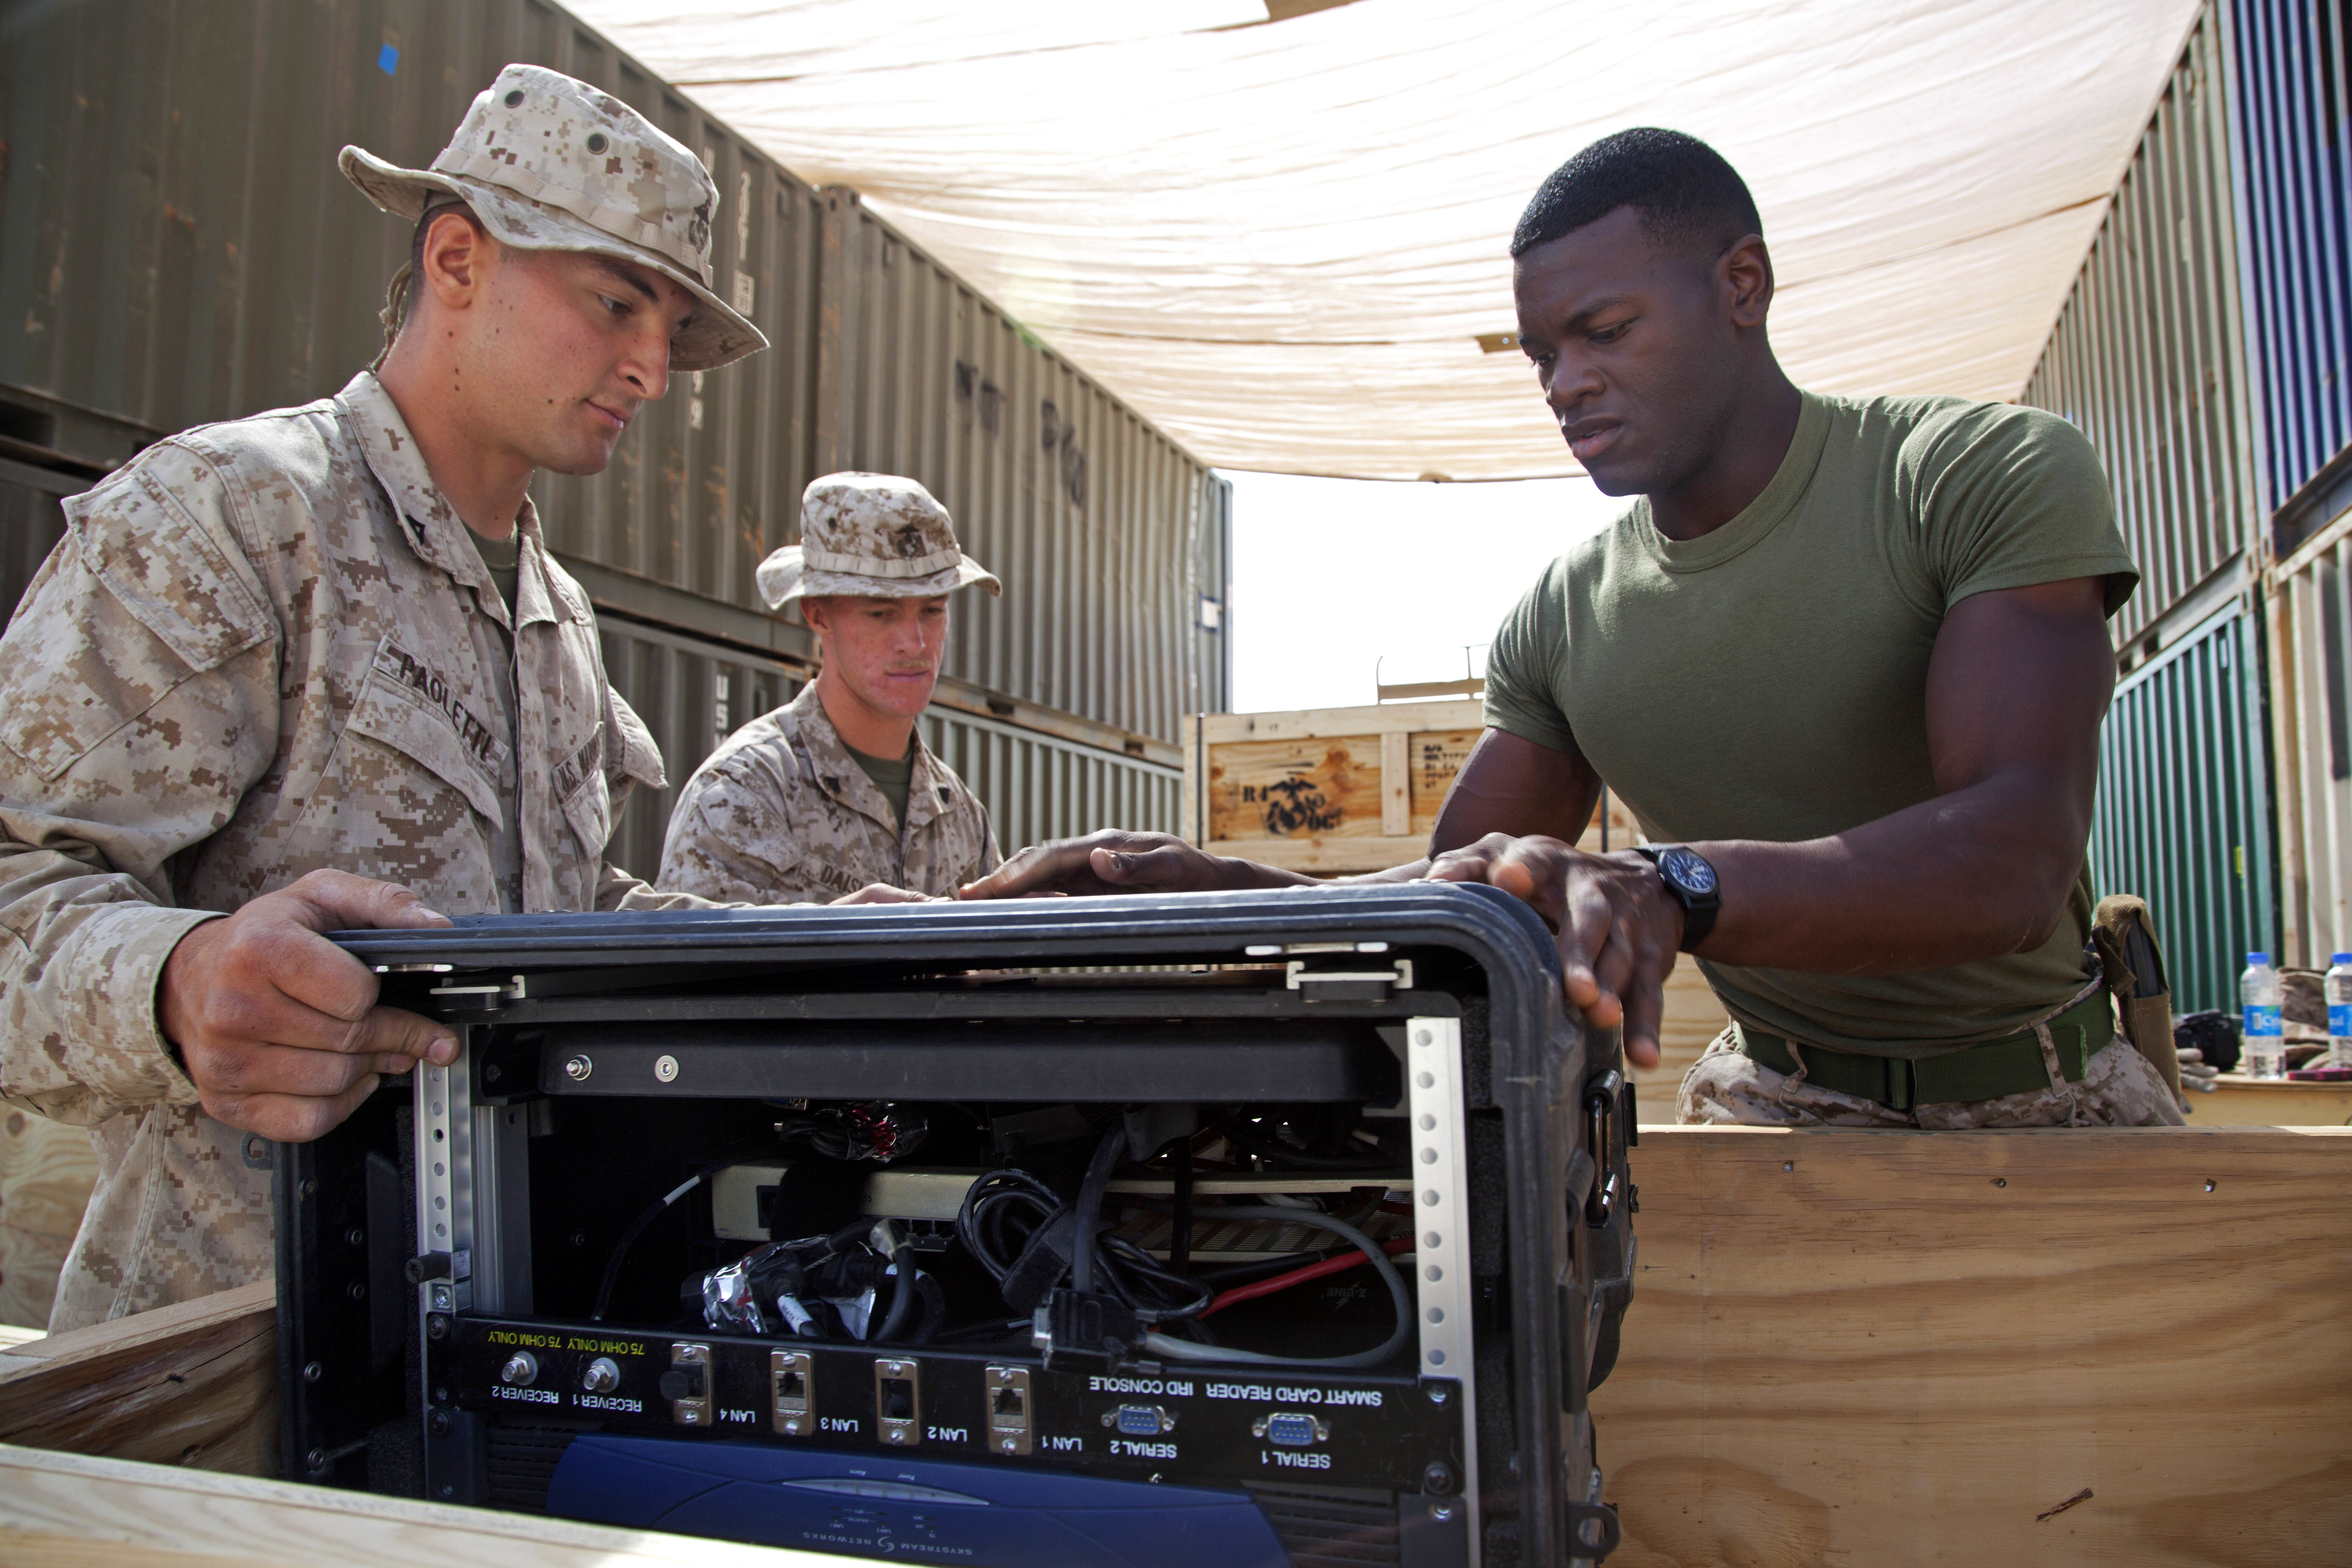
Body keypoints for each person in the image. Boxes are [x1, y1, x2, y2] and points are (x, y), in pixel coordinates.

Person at [962, 128, 2182, 1132]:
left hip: (2049, 1100)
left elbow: (2016, 859)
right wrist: (1204, 892)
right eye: (1543, 354)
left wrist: (1676, 886)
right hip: (1773, 1103)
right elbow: (1451, 909)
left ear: (1741, 288)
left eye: (1605, 333)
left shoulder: (1968, 476)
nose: (1564, 385)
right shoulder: (1561, 616)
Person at [0, 64, 767, 1330]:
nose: (652, 367)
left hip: (497, 1335)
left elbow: (557, 912)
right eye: (618, 304)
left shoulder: (553, 611)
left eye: (671, 333)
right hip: (239, 1352)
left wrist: (800, 943)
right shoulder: (234, 517)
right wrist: (180, 982)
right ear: (457, 259)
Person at [658, 474, 1002, 903]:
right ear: (818, 615)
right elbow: (695, 966)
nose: (916, 643)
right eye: (881, 614)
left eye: (933, 611)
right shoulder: (744, 793)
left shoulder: (960, 816)